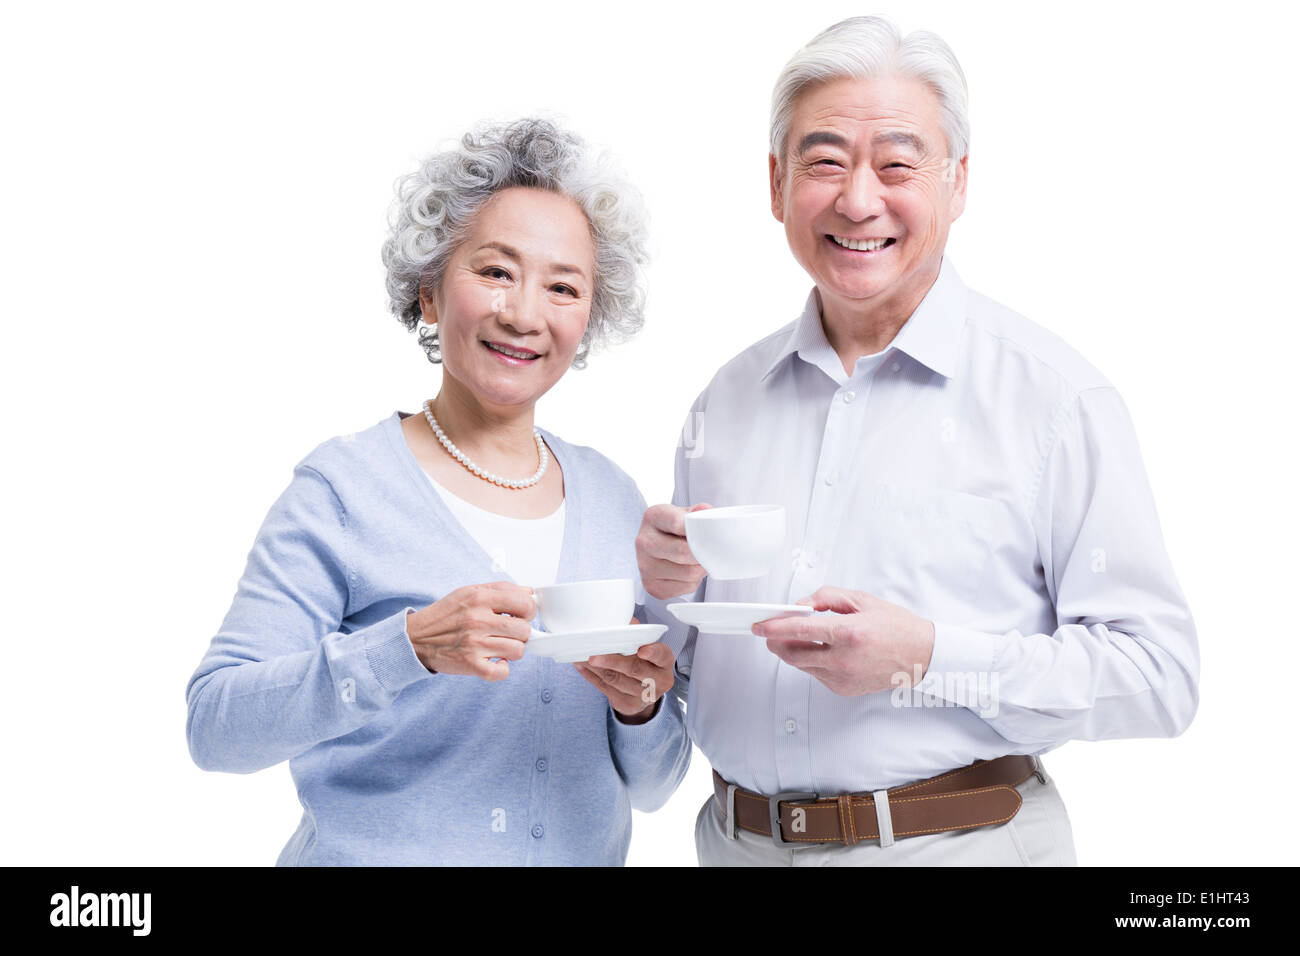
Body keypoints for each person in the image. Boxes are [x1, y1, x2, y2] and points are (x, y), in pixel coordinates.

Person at [637, 16, 1198, 866]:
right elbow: (683, 666)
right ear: (776, 183)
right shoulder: (727, 398)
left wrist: (927, 658)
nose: (858, 200)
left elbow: (1159, 679)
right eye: (825, 161)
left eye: (898, 165)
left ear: (959, 182)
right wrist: (660, 591)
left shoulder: (1054, 399)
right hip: (734, 844)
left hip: (956, 847)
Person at [186, 117, 690, 866]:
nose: (523, 313)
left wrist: (642, 707)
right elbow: (216, 728)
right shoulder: (345, 489)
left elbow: (655, 785)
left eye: (563, 286)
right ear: (428, 292)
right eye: (494, 272)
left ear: (587, 320)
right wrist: (408, 648)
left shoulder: (615, 498)